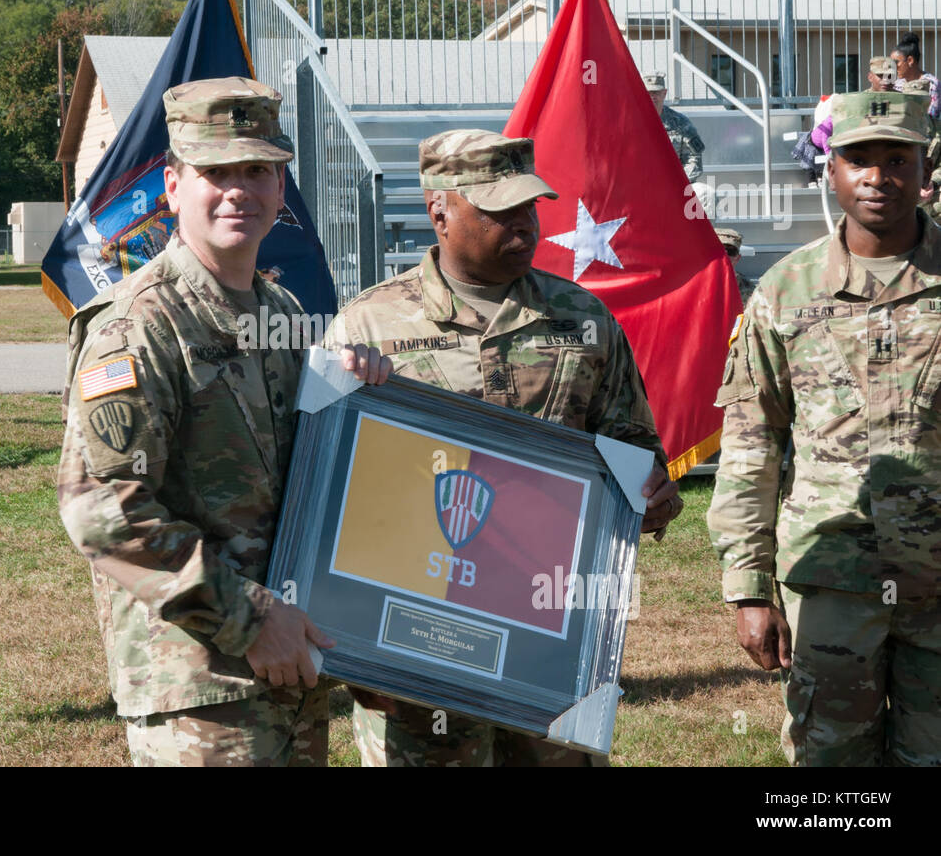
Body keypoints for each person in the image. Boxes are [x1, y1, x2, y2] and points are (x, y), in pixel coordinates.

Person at [56, 76, 390, 767]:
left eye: (258, 170)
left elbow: (308, 471)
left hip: (292, 666)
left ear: (280, 187)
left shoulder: (284, 316)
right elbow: (104, 513)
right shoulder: (137, 326)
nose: (238, 189)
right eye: (216, 171)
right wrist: (251, 617)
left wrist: (355, 395)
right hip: (202, 682)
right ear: (174, 186)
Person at [324, 128, 683, 767]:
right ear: (439, 209)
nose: (523, 223)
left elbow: (632, 445)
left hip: (549, 624)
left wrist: (652, 493)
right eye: (499, 209)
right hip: (418, 621)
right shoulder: (368, 326)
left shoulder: (584, 319)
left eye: (530, 206)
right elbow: (332, 491)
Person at [708, 91, 941, 767]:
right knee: (831, 765)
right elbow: (752, 443)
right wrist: (750, 585)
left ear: (923, 168)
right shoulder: (786, 292)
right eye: (859, 160)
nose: (878, 176)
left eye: (897, 159)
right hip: (832, 580)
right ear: (832, 171)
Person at [643, 72, 705, 184]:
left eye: (656, 92)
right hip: (640, 186)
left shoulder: (681, 123)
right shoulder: (630, 122)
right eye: (648, 93)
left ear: (664, 93)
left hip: (674, 186)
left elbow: (694, 158)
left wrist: (679, 182)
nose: (652, 97)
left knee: (707, 194)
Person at [890, 31, 939, 119]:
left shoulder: (932, 84)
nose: (893, 67)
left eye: (896, 62)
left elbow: (932, 117)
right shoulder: (896, 84)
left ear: (910, 60)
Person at [715, 228, 755, 306]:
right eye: (719, 250)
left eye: (731, 251)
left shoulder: (749, 291)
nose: (725, 255)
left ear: (737, 258)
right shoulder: (693, 285)